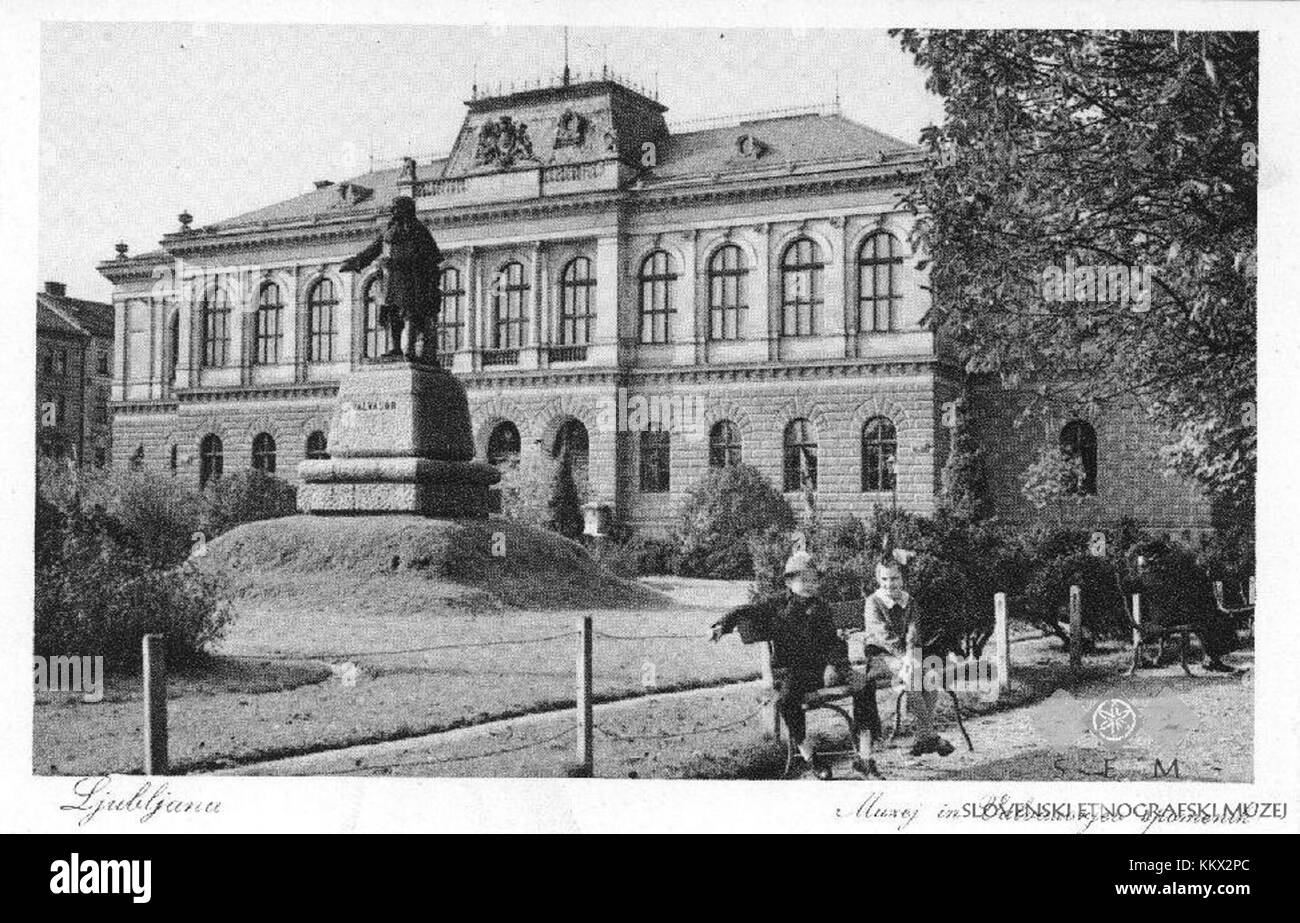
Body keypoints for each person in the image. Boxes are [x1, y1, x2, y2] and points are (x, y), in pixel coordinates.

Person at [710, 550, 883, 780]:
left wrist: (842, 668)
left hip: (821, 670)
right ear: (789, 582)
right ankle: (809, 754)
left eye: (813, 580)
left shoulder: (821, 607)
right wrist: (723, 625)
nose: (809, 585)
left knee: (864, 684)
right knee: (787, 698)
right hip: (792, 671)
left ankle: (865, 756)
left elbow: (832, 642)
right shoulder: (776, 605)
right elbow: (746, 610)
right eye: (803, 580)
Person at [860, 559, 955, 757]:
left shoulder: (908, 601)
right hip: (880, 657)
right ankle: (929, 735)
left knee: (930, 675)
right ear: (878, 579)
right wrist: (906, 658)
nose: (889, 583)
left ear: (902, 579)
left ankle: (923, 736)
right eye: (884, 579)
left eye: (894, 578)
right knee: (912, 676)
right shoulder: (873, 602)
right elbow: (883, 636)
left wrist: (912, 655)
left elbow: (913, 630)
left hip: (906, 655)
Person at [339, 195, 442, 362]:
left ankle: (411, 349)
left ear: (406, 210)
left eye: (396, 208)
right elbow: (373, 250)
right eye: (393, 208)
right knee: (391, 312)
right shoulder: (389, 231)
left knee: (410, 313)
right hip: (391, 278)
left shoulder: (418, 230)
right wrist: (356, 262)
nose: (393, 212)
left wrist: (414, 267)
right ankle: (395, 348)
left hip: (411, 278)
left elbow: (431, 257)